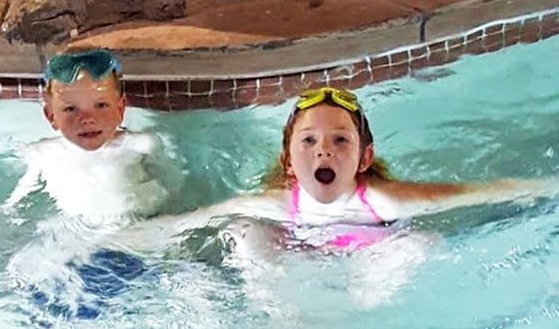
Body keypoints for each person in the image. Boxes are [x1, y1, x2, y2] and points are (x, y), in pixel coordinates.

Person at [105, 84, 557, 255]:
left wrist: (547, 186)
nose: (325, 151)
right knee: (244, 230)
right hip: (296, 257)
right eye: (309, 142)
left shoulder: (382, 200)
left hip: (369, 252)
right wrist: (108, 242)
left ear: (362, 158)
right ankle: (288, 326)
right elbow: (190, 222)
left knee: (418, 243)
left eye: (340, 140)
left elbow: (478, 192)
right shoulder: (278, 203)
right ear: (288, 160)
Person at [1, 47, 176, 225]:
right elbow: (22, 192)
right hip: (74, 237)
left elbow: (171, 182)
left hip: (140, 229)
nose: (87, 119)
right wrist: (7, 209)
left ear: (120, 109)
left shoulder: (141, 145)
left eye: (101, 105)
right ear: (51, 116)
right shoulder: (42, 153)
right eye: (70, 109)